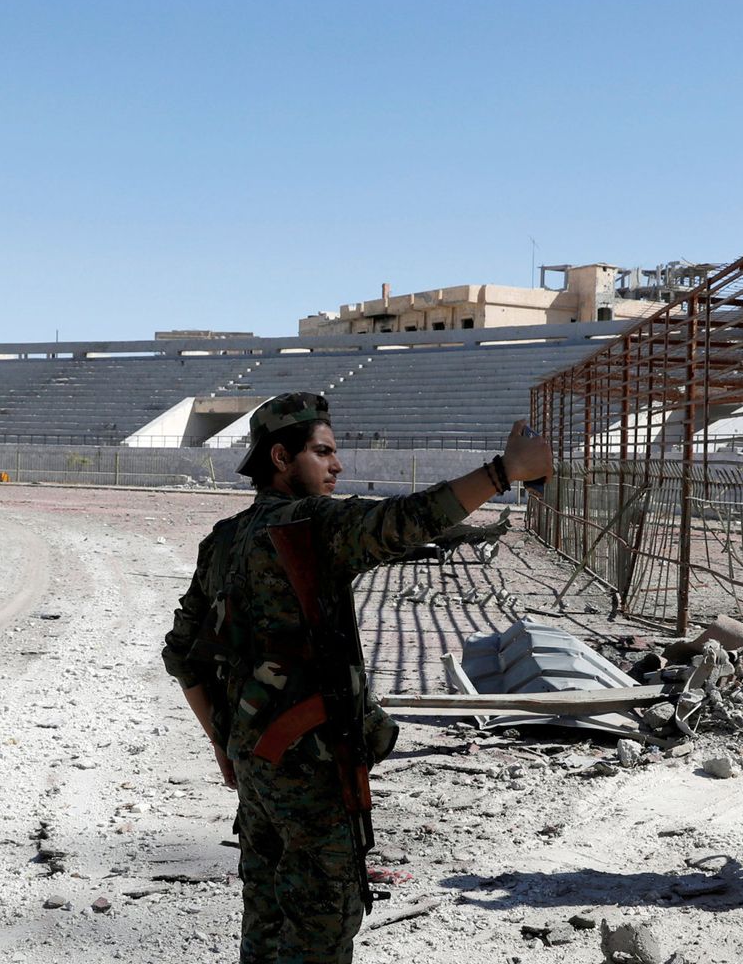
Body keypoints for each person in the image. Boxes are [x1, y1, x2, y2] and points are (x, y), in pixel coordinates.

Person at [161, 392, 553, 962]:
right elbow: (406, 520)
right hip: (312, 766)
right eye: (322, 452)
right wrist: (503, 472)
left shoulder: (223, 540)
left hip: (255, 760)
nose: (336, 465)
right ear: (279, 457)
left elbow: (182, 655)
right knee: (322, 924)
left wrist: (223, 744)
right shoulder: (311, 526)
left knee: (266, 916)